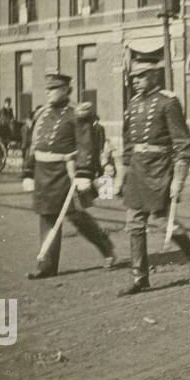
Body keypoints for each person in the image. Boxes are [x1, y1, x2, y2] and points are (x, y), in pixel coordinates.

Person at [119, 51, 190, 295]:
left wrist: (179, 178)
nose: (136, 81)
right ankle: (140, 277)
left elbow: (182, 145)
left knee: (163, 221)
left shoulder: (168, 102)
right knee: (134, 222)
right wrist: (121, 174)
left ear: (154, 76)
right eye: (134, 77)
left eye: (142, 76)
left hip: (159, 169)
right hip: (137, 169)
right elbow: (127, 143)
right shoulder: (133, 104)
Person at [21, 71, 116, 280]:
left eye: (53, 89)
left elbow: (85, 146)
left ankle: (105, 247)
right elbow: (32, 145)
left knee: (76, 216)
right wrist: (28, 172)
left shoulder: (77, 114)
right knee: (47, 216)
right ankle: (46, 265)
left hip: (66, 173)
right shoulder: (41, 115)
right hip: (43, 173)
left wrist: (84, 173)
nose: (49, 93)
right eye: (47, 89)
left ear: (65, 90)